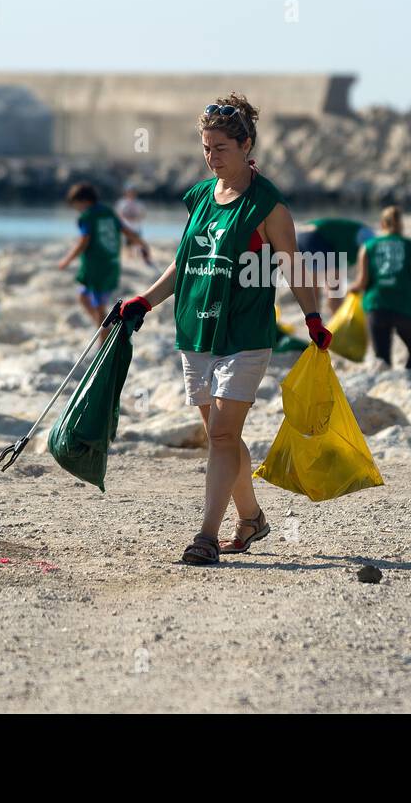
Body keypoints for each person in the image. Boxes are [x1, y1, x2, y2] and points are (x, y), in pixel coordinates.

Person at [117, 93, 331, 566]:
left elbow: (294, 268)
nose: (212, 157)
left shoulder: (267, 205)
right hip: (195, 329)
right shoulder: (199, 197)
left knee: (221, 438)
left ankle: (206, 536)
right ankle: (252, 519)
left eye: (221, 148)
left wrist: (313, 319)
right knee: (221, 435)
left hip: (244, 335)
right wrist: (143, 302)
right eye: (206, 147)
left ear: (246, 144)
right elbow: (184, 264)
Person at [348, 206, 411, 369]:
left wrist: (349, 291)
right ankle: (409, 381)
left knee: (382, 359)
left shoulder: (368, 247)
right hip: (404, 307)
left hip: (377, 306)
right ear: (401, 224)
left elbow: (361, 282)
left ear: (382, 224)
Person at [57, 182, 149, 339]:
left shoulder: (87, 216)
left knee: (99, 305)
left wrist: (67, 260)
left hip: (96, 265)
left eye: (76, 205)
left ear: (84, 201)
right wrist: (142, 243)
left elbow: (84, 240)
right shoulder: (108, 212)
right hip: (111, 263)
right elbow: (126, 230)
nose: (76, 209)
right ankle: (105, 329)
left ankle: (103, 339)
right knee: (83, 297)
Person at [297, 217, 374, 315]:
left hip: (300, 235)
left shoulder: (359, 232)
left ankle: (314, 320)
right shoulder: (365, 238)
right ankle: (337, 317)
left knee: (314, 285)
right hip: (316, 237)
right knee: (334, 288)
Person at [115, 185, 153, 264]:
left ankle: (138, 257)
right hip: (126, 227)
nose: (131, 194)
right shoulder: (122, 203)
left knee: (138, 243)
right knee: (127, 243)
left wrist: (136, 218)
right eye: (129, 192)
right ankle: (129, 257)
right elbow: (118, 214)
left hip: (136, 226)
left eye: (132, 192)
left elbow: (143, 214)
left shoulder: (139, 203)